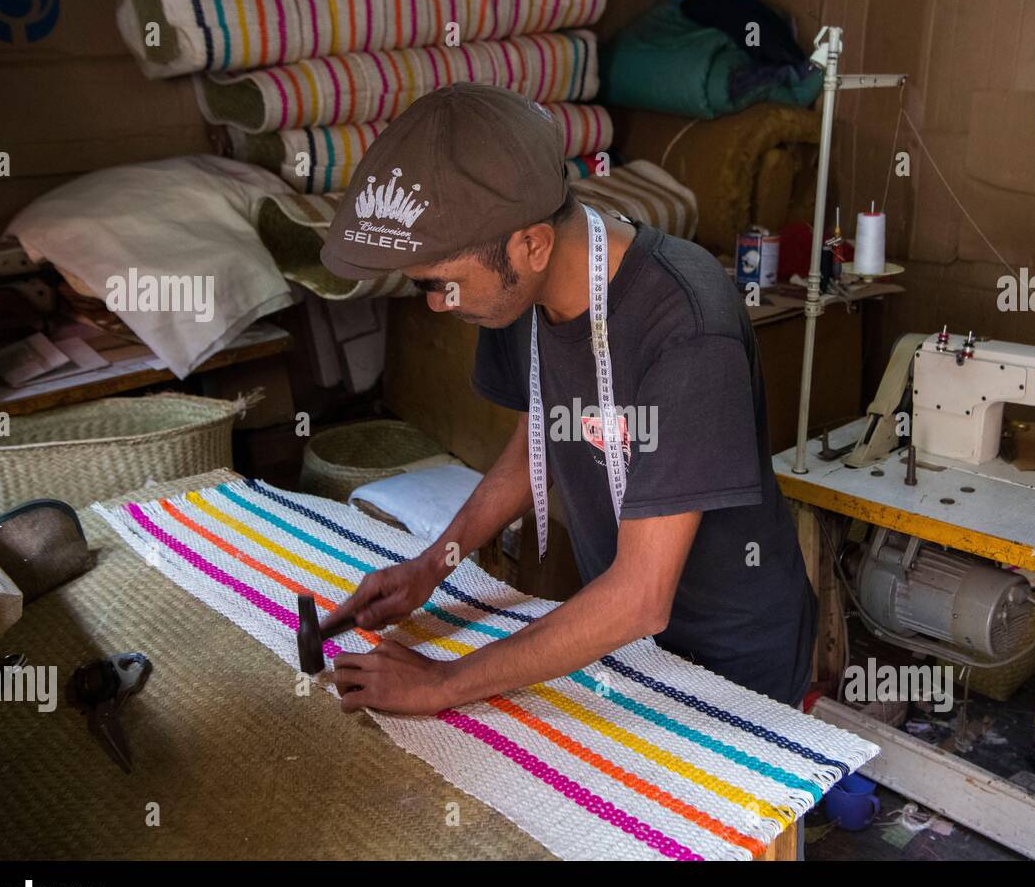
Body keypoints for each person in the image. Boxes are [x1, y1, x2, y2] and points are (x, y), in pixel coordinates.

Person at [319, 83, 816, 716]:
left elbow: (640, 597)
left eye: (443, 283)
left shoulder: (687, 324)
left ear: (532, 245)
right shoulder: (518, 296)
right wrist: (431, 566)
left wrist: (442, 683)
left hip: (732, 656)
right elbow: (542, 446)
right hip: (624, 641)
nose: (436, 304)